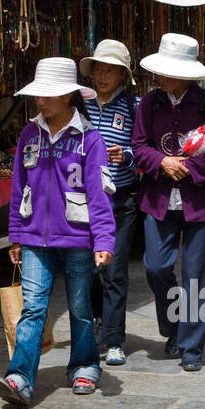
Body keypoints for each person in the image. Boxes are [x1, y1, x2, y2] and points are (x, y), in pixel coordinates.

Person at [0, 57, 116, 407]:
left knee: (79, 308)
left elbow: (99, 193)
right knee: (33, 308)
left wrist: (104, 240)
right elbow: (20, 187)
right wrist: (15, 234)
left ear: (68, 96)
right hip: (34, 239)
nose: (40, 101)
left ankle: (85, 366)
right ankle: (19, 378)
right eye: (38, 95)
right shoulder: (29, 134)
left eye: (48, 95)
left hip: (78, 239)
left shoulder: (90, 140)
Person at [132, 33, 205, 372]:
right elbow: (139, 146)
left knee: (195, 276)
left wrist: (188, 167)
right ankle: (172, 327)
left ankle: (191, 346)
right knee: (156, 266)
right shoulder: (149, 104)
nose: (162, 77)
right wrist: (161, 162)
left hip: (200, 202)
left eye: (170, 71)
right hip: (159, 200)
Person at [81, 40, 139, 367]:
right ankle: (96, 322)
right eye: (98, 70)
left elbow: (142, 149)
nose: (102, 76)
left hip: (120, 201)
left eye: (109, 71)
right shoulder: (79, 105)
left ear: (122, 75)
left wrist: (126, 155)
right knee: (87, 269)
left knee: (114, 270)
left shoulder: (135, 106)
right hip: (85, 203)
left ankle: (114, 339)